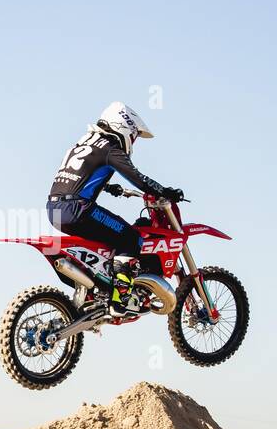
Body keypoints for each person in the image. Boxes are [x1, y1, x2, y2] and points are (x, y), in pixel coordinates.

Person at [47, 102, 184, 314]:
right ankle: (120, 300)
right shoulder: (110, 148)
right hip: (77, 209)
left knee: (109, 238)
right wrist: (165, 191)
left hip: (54, 208)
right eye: (134, 135)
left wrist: (109, 187)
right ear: (125, 126)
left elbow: (80, 174)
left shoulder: (83, 143)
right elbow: (139, 179)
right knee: (130, 237)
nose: (134, 140)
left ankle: (100, 289)